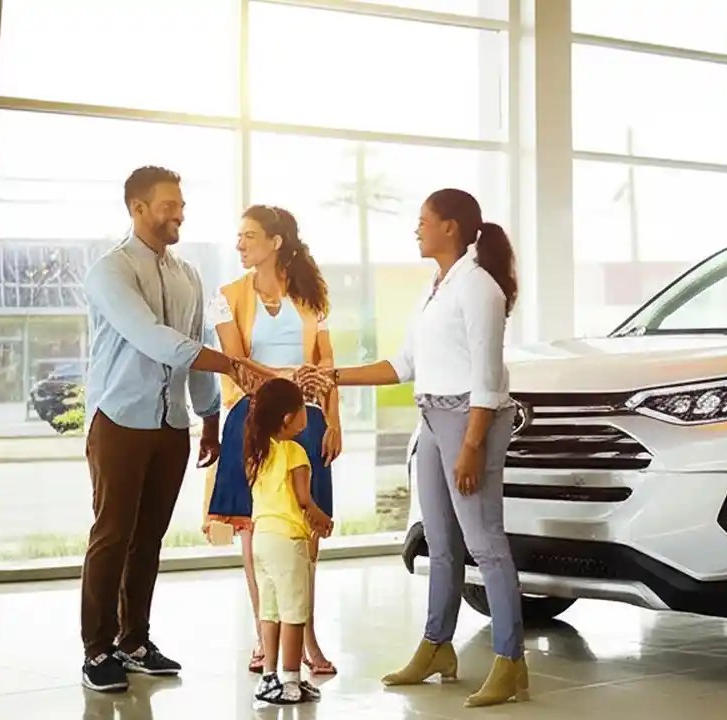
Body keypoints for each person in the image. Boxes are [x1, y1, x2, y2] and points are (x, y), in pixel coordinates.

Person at [302, 188, 524, 708]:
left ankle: (511, 660)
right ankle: (436, 646)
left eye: (424, 220)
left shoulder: (480, 289)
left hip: (471, 421)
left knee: (486, 543)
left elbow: (489, 382)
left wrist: (470, 446)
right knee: (441, 545)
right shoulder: (436, 288)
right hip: (431, 419)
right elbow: (401, 366)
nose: (417, 228)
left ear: (451, 227)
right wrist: (331, 376)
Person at [81, 166, 267, 693]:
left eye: (181, 205)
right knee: (112, 535)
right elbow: (156, 339)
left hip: (170, 423)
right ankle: (97, 650)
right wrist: (233, 366)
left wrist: (208, 416)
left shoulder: (188, 274)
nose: (178, 214)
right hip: (119, 417)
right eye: (168, 205)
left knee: (149, 538)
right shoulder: (109, 271)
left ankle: (133, 641)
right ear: (138, 208)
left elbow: (191, 344)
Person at [203, 205, 340, 676]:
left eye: (250, 235)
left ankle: (306, 636)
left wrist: (334, 420)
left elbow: (326, 365)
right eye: (238, 236)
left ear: (276, 241)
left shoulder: (312, 296)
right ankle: (266, 641)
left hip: (309, 419)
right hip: (254, 419)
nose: (240, 243)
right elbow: (236, 363)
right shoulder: (226, 297)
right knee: (258, 530)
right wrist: (285, 383)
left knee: (304, 528)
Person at [244, 378, 334, 706]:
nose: (306, 413)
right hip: (287, 540)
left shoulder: (258, 450)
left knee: (270, 610)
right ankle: (293, 681)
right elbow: (303, 500)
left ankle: (269, 679)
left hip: (262, 540)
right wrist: (323, 520)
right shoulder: (295, 451)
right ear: (287, 418)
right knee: (294, 612)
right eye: (302, 408)